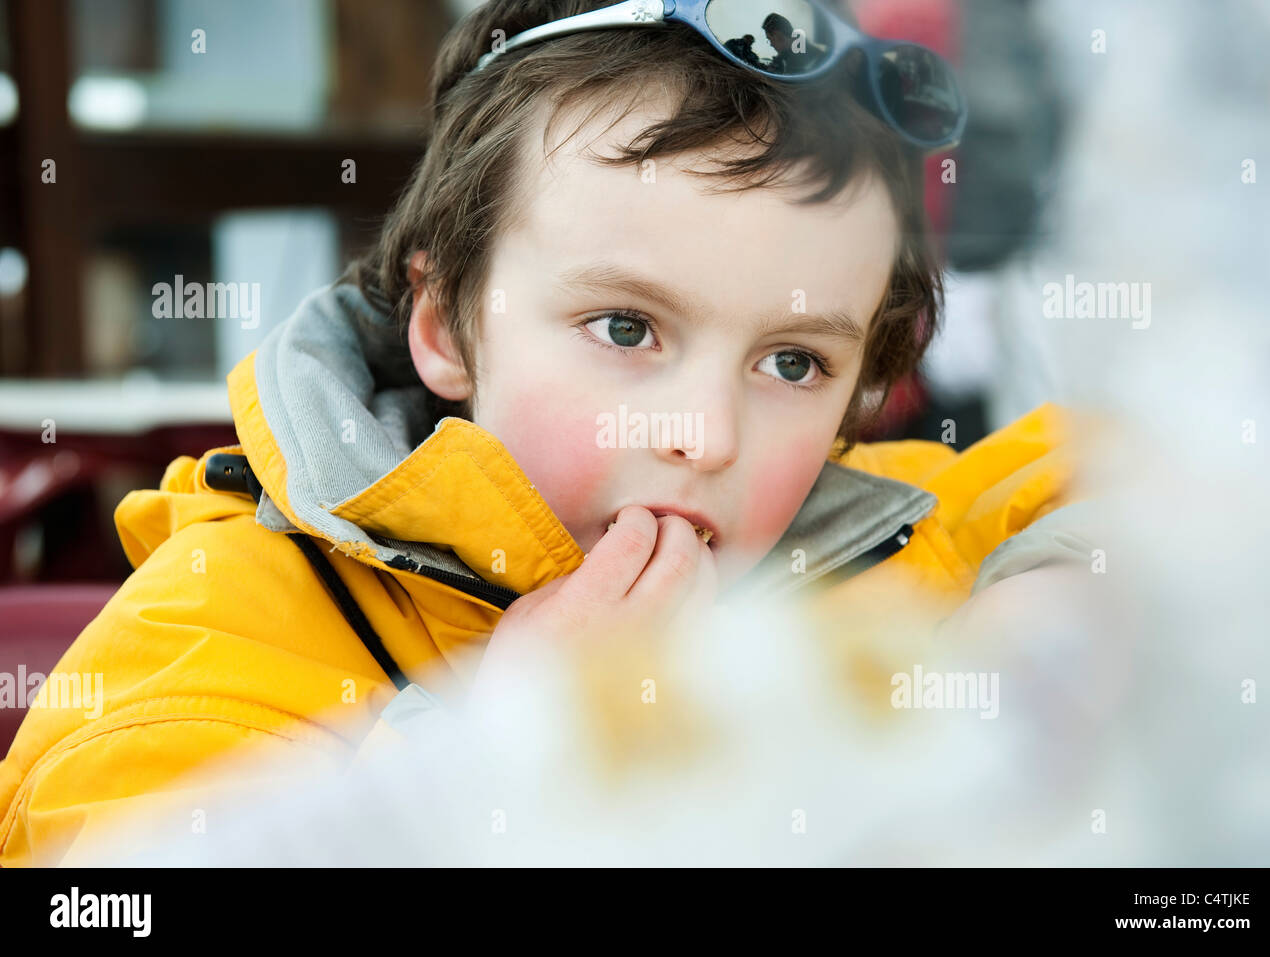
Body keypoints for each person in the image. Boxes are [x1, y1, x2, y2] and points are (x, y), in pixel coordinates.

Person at [0, 0, 1088, 867]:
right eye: (626, 327)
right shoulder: (219, 628)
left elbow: (1156, 483)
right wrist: (480, 748)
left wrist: (1041, 595)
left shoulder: (878, 537)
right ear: (443, 326)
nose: (704, 437)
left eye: (792, 362)